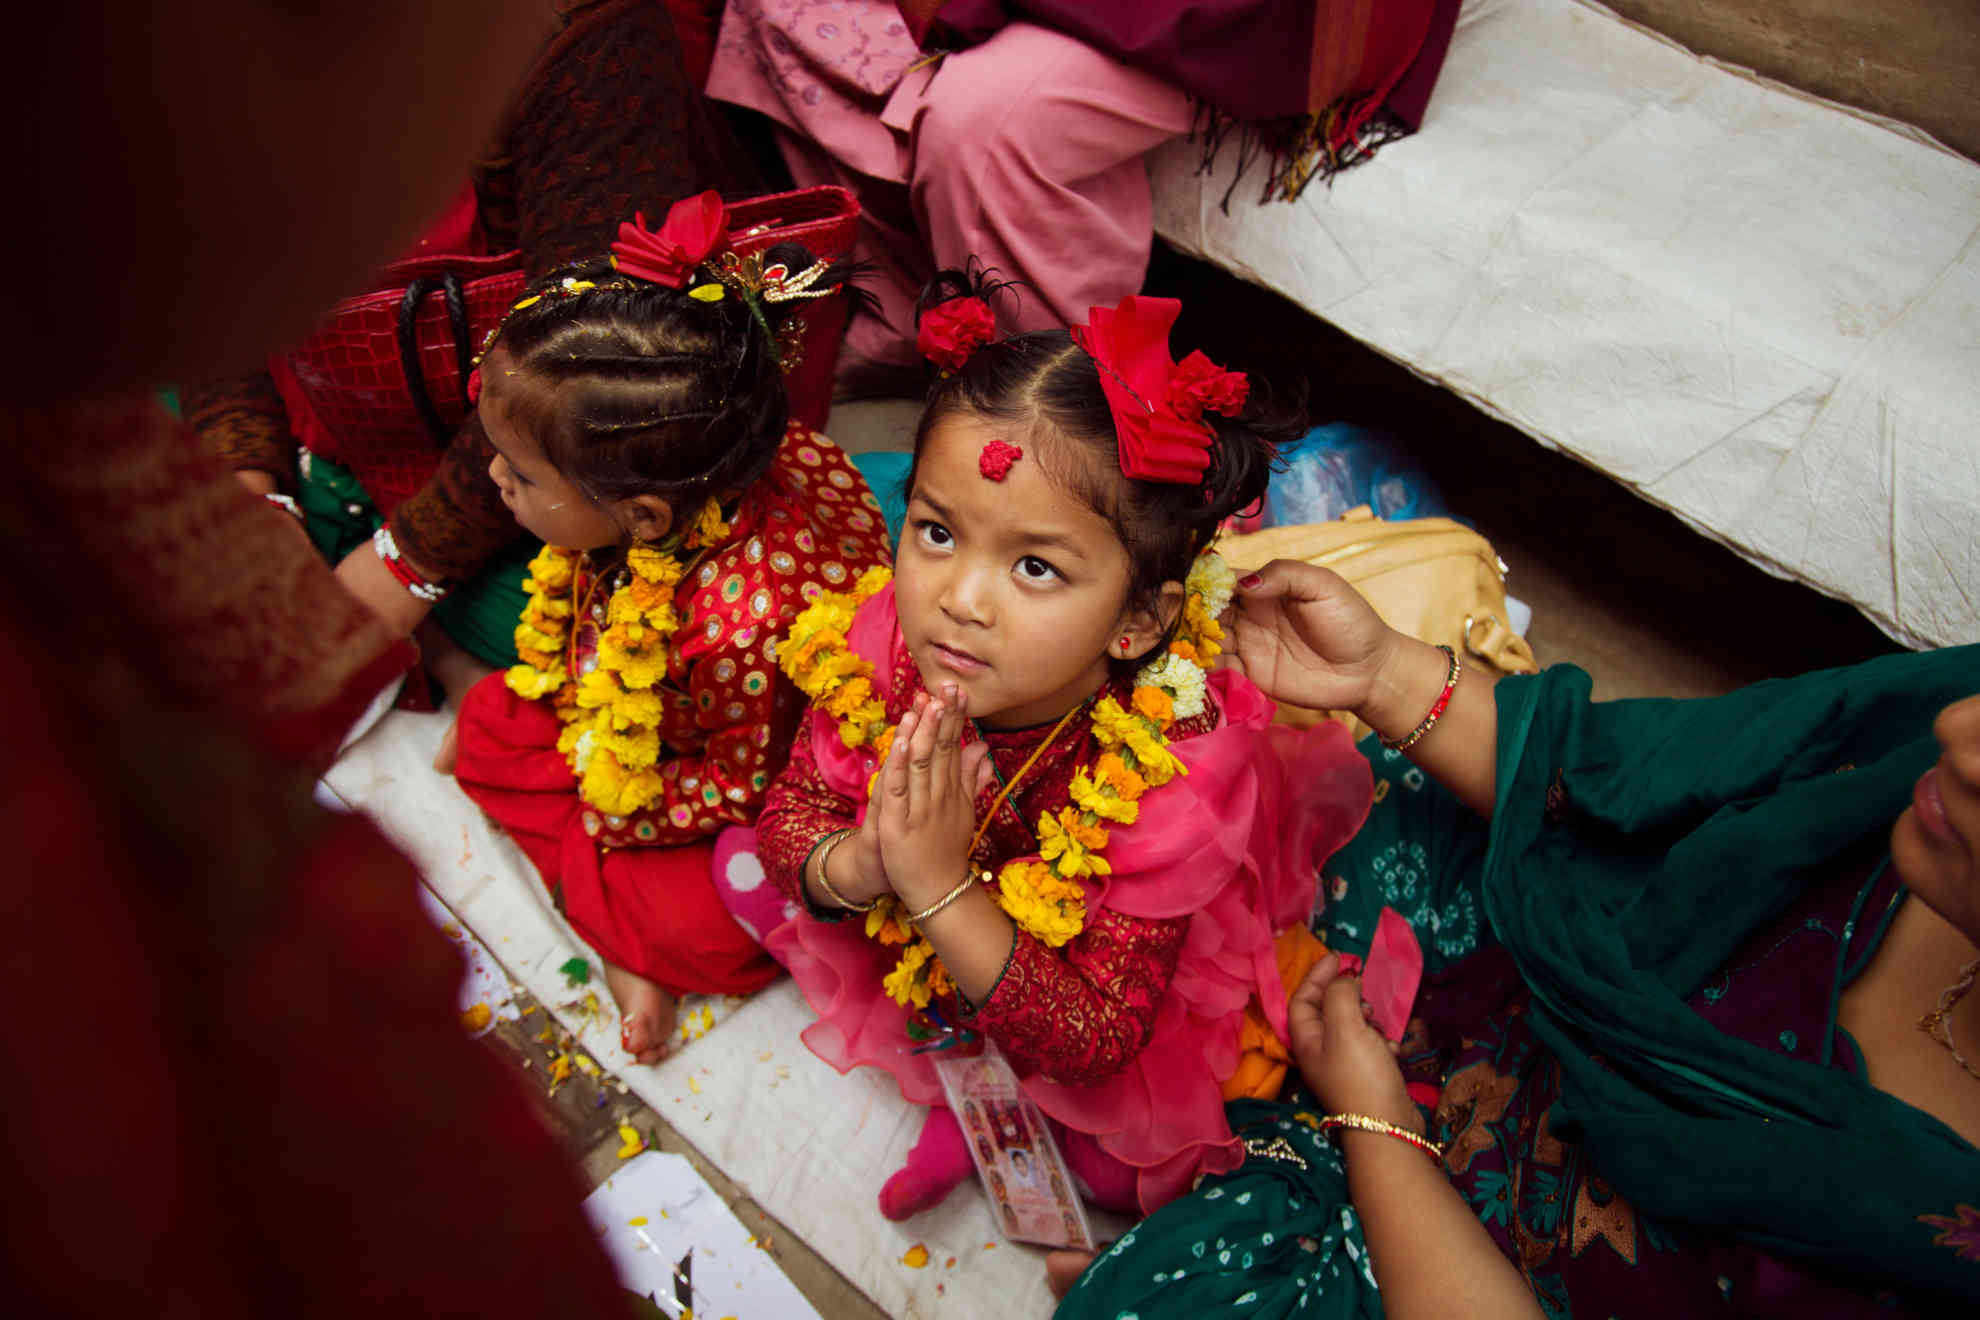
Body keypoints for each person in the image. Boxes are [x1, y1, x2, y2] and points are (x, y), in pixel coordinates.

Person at [1053, 558, 1980, 1316]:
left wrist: (1373, 1122)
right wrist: (1381, 674)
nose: (1959, 731)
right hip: (1521, 966)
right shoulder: (1933, 754)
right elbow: (1632, 782)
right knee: (1265, 806)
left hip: (1475, 1269)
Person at [754, 283, 1376, 1220]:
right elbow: (790, 814)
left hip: (1053, 975)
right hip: (916, 923)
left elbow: (1098, 1036)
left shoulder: (1173, 763)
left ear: (1138, 621)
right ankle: (956, 1102)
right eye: (936, 532)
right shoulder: (884, 644)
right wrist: (866, 862)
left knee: (1127, 1172)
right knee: (747, 871)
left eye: (1035, 567)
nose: (959, 599)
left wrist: (939, 889)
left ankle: (989, 1111)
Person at [186, 0, 763, 692]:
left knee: (624, 660)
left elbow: (584, 388)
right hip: (338, 422)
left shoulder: (581, 34)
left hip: (541, 455)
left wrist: (405, 568)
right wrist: (249, 491)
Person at [446, 198, 893, 1063]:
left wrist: (614, 813)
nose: (495, 477)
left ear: (645, 517)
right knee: (491, 722)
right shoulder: (700, 457)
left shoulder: (743, 626)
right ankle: (602, 894)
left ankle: (618, 930)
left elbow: (746, 788)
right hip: (641, 710)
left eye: (522, 475)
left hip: (735, 790)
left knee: (711, 934)